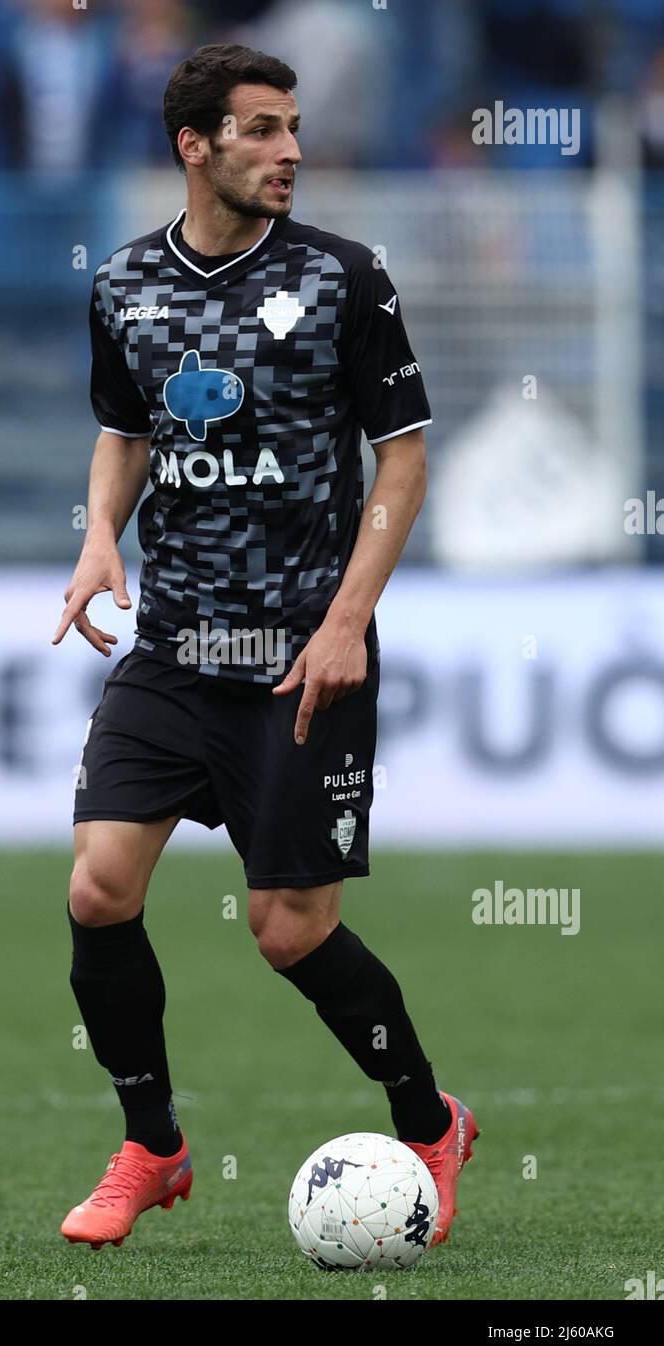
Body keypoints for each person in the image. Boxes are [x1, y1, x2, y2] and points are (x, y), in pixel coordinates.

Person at [52, 42, 479, 1251]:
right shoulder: (125, 283)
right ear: (195, 145)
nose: (288, 149)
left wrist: (347, 621)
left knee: (288, 930)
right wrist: (98, 537)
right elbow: (123, 427)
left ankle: (425, 1119)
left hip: (302, 654)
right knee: (97, 887)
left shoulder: (346, 279)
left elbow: (401, 454)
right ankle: (153, 1145)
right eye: (259, 130)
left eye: (291, 127)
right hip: (174, 647)